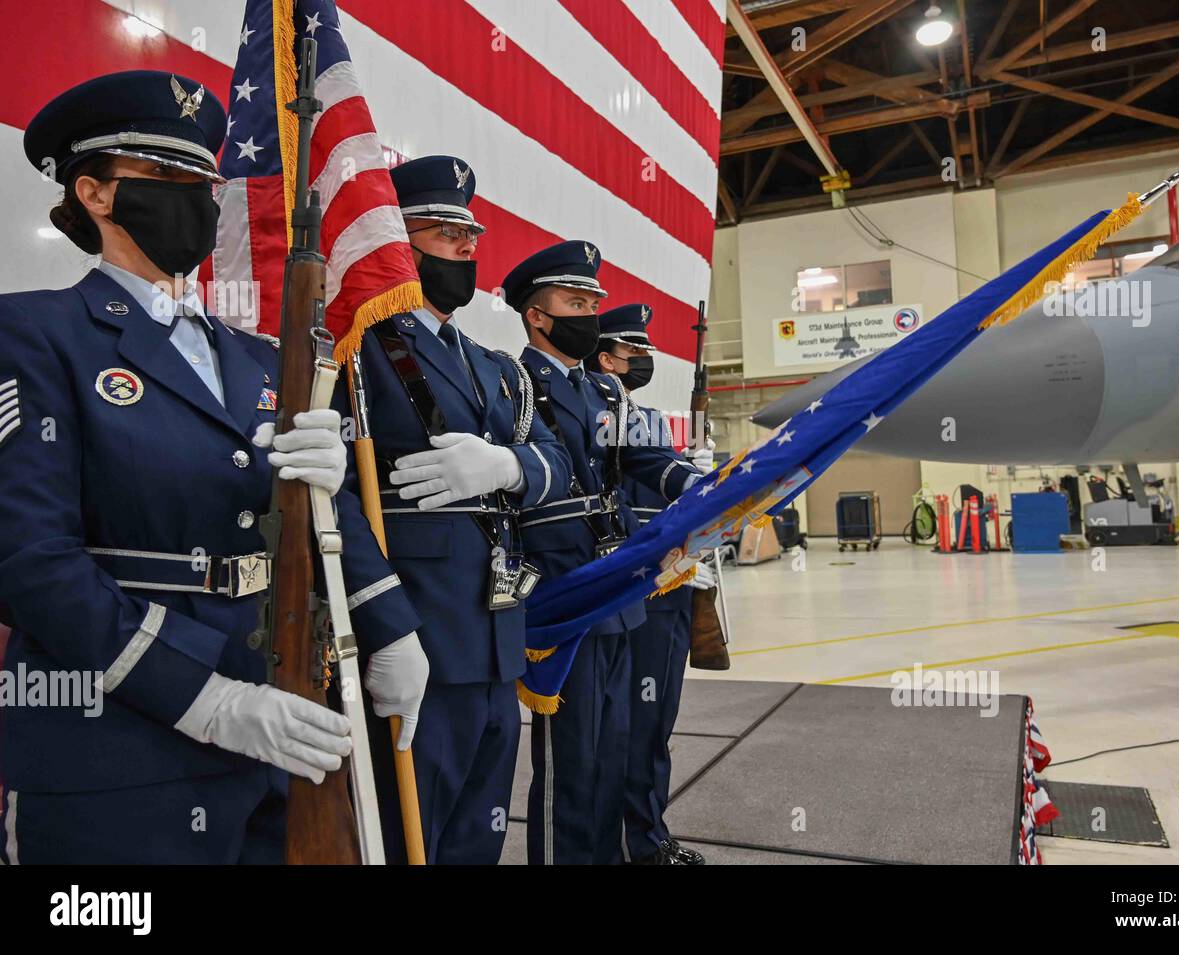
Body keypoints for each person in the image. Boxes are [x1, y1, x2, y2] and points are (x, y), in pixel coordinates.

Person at [0, 70, 427, 864]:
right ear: (93, 192)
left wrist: (389, 620)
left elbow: (304, 510)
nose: (193, 199)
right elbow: (30, 564)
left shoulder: (258, 359)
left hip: (272, 722)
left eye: (202, 179)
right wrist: (205, 699)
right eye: (165, 178)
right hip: (121, 744)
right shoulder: (34, 334)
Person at [339, 155, 570, 864]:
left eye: (470, 234)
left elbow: (555, 462)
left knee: (479, 835)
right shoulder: (359, 347)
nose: (466, 247)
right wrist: (386, 626)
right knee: (412, 836)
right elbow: (332, 495)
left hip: (497, 637)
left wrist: (509, 464)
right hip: (419, 632)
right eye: (444, 232)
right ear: (396, 240)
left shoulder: (495, 365)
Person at [502, 243, 709, 864]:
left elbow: (642, 460)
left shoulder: (606, 393)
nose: (590, 312)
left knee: (616, 744)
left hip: (618, 589)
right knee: (572, 762)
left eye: (593, 301)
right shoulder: (513, 381)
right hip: (562, 587)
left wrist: (697, 485)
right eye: (576, 302)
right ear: (538, 316)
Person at [584, 304, 713, 865]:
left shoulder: (650, 420)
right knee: (628, 728)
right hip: (637, 588)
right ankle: (630, 841)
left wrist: (698, 476)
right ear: (606, 357)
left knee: (656, 724)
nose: (643, 363)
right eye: (634, 354)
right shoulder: (588, 415)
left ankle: (648, 834)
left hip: (671, 589)